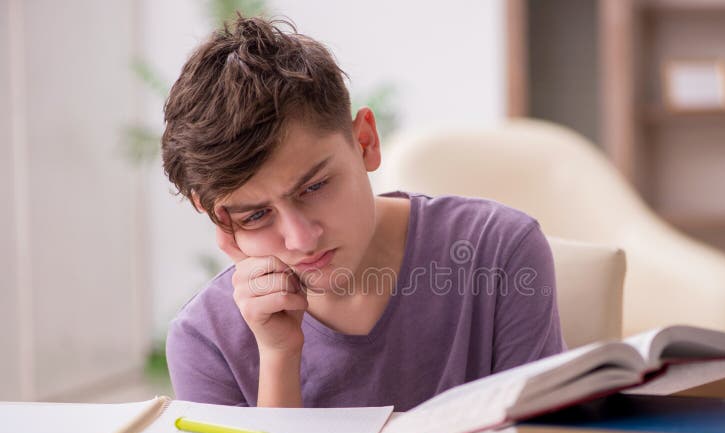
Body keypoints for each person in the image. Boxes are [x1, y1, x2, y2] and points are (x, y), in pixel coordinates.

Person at [162, 16, 566, 410]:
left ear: (365, 142)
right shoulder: (205, 339)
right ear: (219, 220)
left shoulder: (499, 252)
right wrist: (279, 356)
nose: (301, 238)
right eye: (255, 216)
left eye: (315, 187)